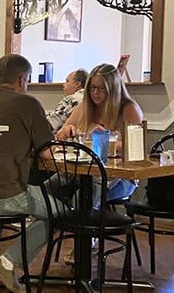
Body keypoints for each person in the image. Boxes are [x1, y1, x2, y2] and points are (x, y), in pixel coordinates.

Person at [0, 54, 54, 293]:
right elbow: (48, 154)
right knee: (62, 213)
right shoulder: (27, 103)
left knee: (51, 193)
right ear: (22, 79)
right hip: (10, 192)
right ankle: (7, 263)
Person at [56, 62, 143, 205]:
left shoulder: (129, 108)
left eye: (101, 88)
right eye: (92, 88)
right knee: (47, 189)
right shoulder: (86, 105)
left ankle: (79, 223)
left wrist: (101, 139)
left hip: (119, 177)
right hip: (84, 172)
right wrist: (67, 132)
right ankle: (61, 222)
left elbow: (135, 148)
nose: (95, 93)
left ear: (113, 88)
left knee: (82, 198)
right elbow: (61, 135)